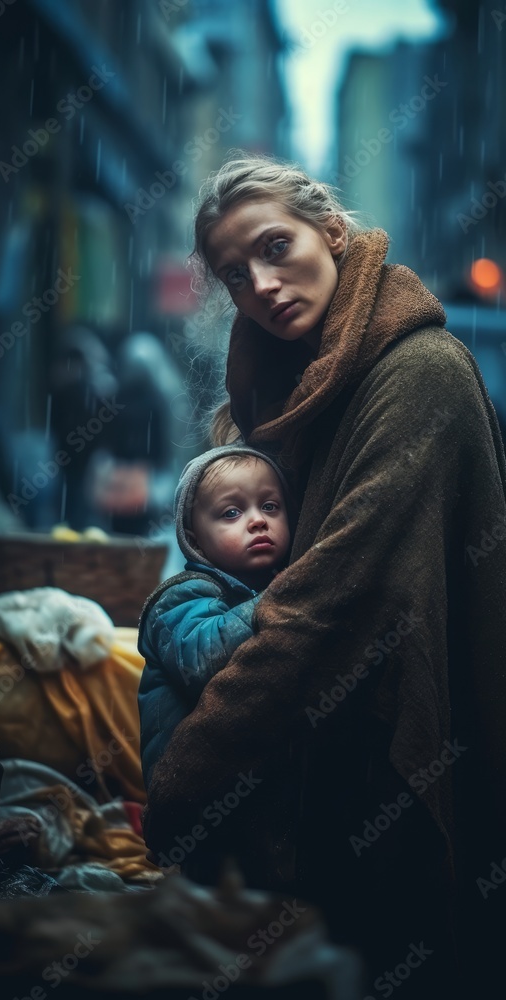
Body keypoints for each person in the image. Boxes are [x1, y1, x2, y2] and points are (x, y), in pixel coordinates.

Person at [140, 152, 506, 997]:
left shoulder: (418, 374)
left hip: (397, 764)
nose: (262, 286)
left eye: (275, 248)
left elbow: (327, 606)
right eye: (235, 275)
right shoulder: (292, 390)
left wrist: (189, 772)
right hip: (326, 782)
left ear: (333, 232)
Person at [137, 445, 292, 802]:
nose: (258, 520)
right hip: (188, 787)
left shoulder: (265, 585)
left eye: (270, 506)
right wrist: (276, 597)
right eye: (231, 512)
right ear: (195, 541)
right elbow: (200, 662)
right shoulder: (181, 596)